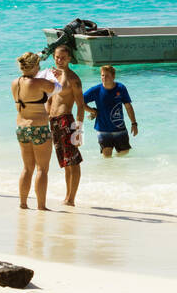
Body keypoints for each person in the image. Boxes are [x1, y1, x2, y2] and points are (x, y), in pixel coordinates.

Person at [11, 52, 59, 210]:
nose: (39, 67)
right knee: (42, 169)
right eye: (38, 65)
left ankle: (23, 203)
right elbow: (58, 88)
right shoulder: (38, 82)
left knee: (27, 168)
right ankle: (41, 206)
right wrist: (57, 75)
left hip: (21, 127)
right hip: (39, 127)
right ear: (34, 66)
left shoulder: (15, 83)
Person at [45, 44, 87, 205]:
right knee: (65, 162)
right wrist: (48, 115)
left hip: (66, 121)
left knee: (73, 161)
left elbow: (80, 105)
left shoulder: (73, 79)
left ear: (69, 58)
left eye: (63, 57)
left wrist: (78, 130)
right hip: (54, 122)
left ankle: (72, 198)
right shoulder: (52, 76)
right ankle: (67, 196)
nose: (59, 60)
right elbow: (49, 99)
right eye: (57, 57)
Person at [83, 66, 137, 157]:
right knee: (107, 158)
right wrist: (92, 111)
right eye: (102, 75)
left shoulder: (121, 88)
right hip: (103, 130)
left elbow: (128, 106)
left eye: (107, 75)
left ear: (113, 76)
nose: (104, 78)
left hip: (119, 129)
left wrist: (134, 123)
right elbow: (80, 101)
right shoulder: (96, 90)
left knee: (124, 155)